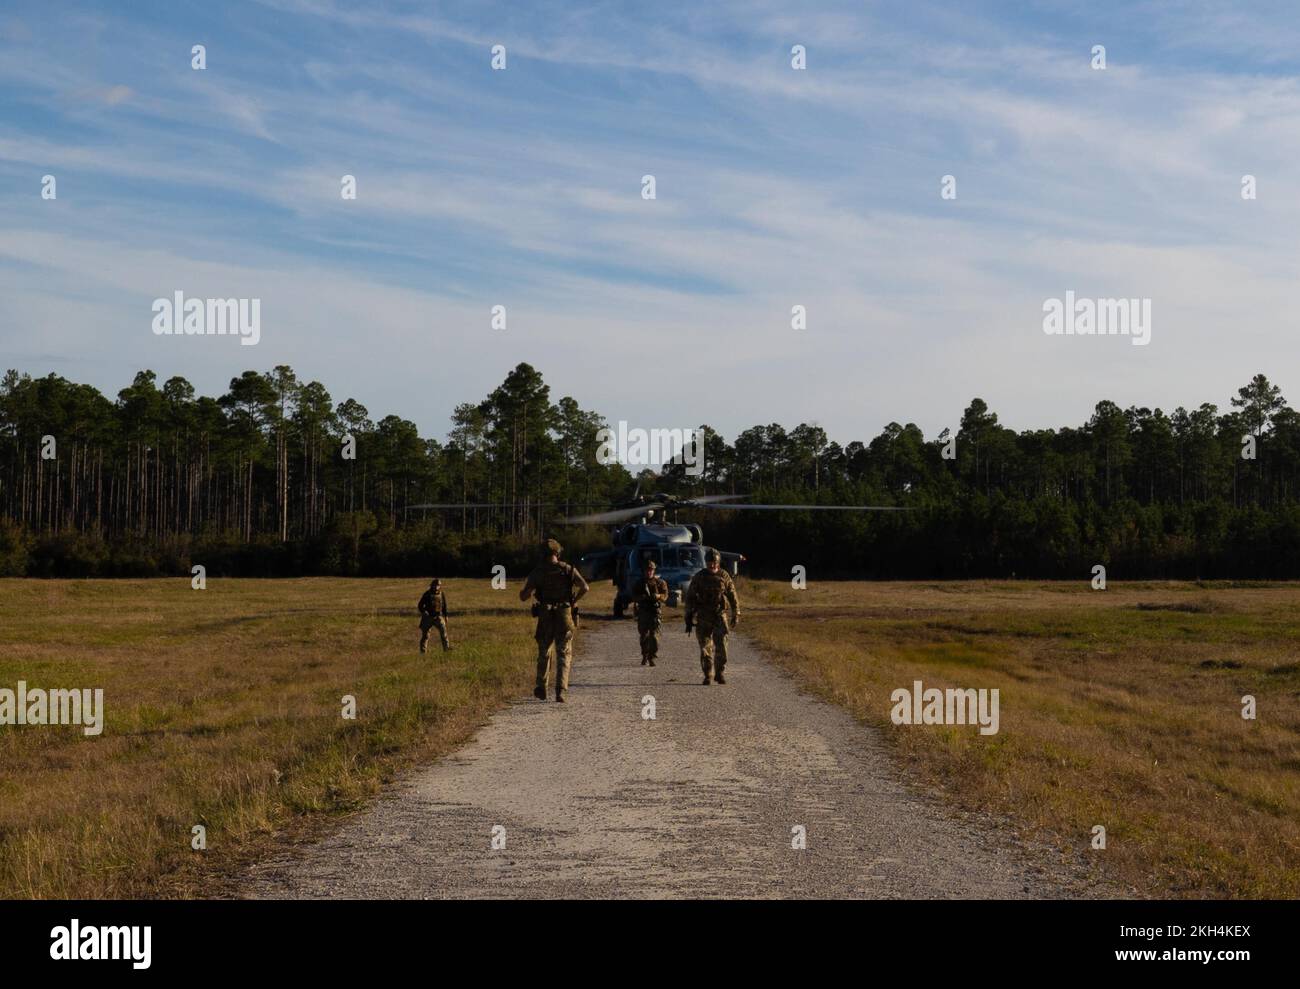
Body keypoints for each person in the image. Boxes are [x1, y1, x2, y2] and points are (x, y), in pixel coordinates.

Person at [519, 538, 590, 702]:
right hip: (564, 615)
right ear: (558, 552)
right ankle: (561, 691)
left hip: (545, 616)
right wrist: (573, 601)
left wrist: (530, 591)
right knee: (564, 653)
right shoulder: (568, 569)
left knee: (544, 652)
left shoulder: (538, 571)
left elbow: (523, 596)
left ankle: (541, 687)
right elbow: (585, 587)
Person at [684, 548, 739, 685]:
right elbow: (690, 597)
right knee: (705, 648)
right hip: (703, 616)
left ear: (718, 563)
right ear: (706, 563)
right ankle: (708, 674)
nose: (712, 565)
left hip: (720, 616)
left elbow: (733, 596)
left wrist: (736, 613)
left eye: (714, 562)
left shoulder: (724, 576)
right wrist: (688, 615)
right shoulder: (699, 577)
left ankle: (719, 673)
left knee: (722, 647)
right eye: (709, 562)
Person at [631, 559, 669, 666]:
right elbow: (633, 596)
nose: (649, 572)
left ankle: (652, 655)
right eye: (647, 570)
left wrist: (658, 596)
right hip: (643, 612)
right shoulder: (639, 583)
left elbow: (665, 596)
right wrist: (641, 598)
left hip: (655, 613)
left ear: (654, 571)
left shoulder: (660, 582)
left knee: (654, 637)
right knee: (644, 636)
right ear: (643, 571)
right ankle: (645, 655)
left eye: (651, 570)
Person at [418, 578, 451, 653]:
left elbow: (444, 605)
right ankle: (423, 652)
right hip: (428, 617)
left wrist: (446, 615)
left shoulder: (441, 594)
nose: (437, 586)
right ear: (432, 585)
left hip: (438, 617)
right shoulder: (427, 594)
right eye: (435, 585)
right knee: (425, 636)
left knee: (444, 633)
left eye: (438, 585)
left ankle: (446, 649)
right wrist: (424, 612)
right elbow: (420, 605)